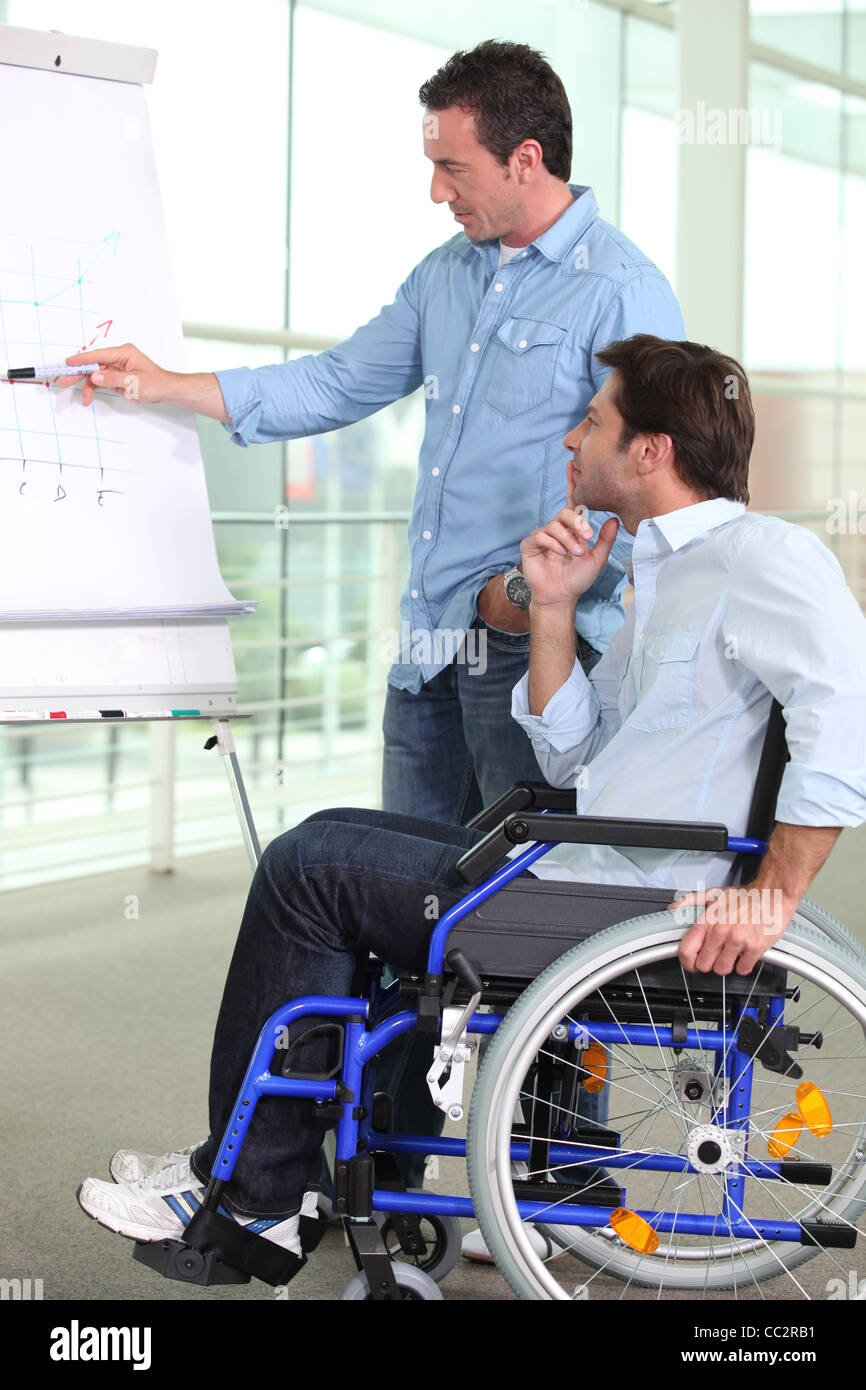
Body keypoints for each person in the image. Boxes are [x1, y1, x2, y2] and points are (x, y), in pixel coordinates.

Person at [77, 334, 866, 1275]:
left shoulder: (763, 555)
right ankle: (262, 1174)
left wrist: (771, 897)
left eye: (595, 422)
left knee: (306, 872)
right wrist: (552, 608)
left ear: (651, 451)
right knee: (324, 838)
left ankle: (254, 1195)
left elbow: (846, 709)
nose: (572, 441)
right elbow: (575, 749)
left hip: (622, 900)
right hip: (588, 866)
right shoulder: (663, 574)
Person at [61, 39, 684, 1188]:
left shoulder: (620, 287)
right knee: (416, 929)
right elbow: (338, 383)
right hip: (426, 653)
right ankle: (384, 1171)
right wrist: (166, 385)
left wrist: (535, 596)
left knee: (531, 928)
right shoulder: (448, 275)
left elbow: (652, 483)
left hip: (528, 650)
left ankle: (553, 1173)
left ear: (525, 157)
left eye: (450, 167)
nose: (434, 190)